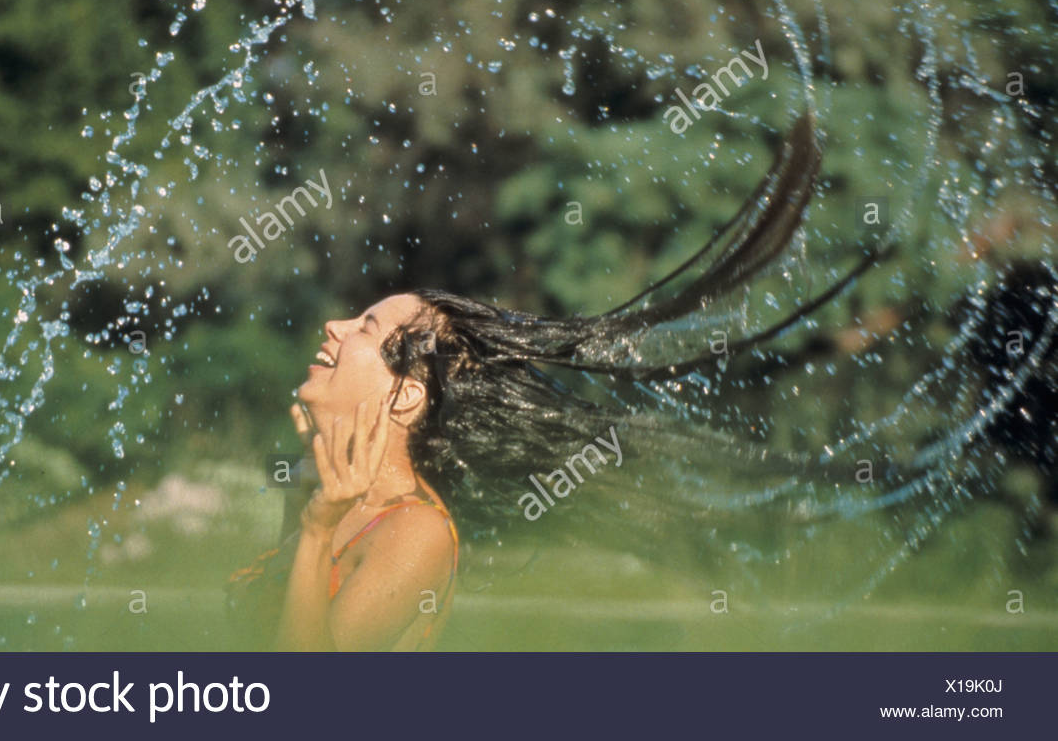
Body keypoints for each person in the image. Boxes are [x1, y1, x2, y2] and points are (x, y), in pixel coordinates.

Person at [228, 112, 881, 650]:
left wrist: (315, 532)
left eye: (366, 328)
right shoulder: (340, 501)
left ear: (407, 394)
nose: (336, 326)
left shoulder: (414, 534)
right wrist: (314, 494)